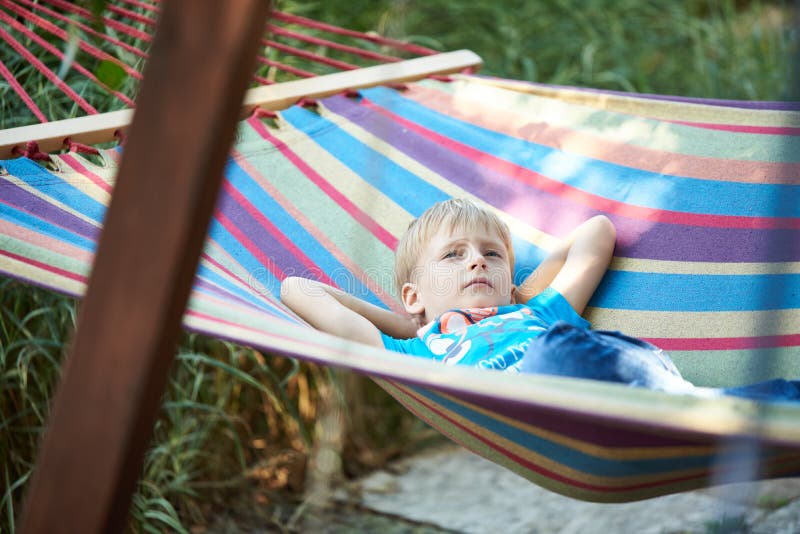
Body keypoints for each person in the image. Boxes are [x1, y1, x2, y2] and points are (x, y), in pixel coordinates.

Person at [280, 198, 799, 401]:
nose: (477, 262)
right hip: (552, 409)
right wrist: (407, 323)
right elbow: (297, 289)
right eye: (454, 256)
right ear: (413, 293)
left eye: (489, 254)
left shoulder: (536, 311)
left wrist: (517, 294)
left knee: (559, 349)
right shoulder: (406, 355)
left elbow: (596, 231)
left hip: (616, 378)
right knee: (555, 354)